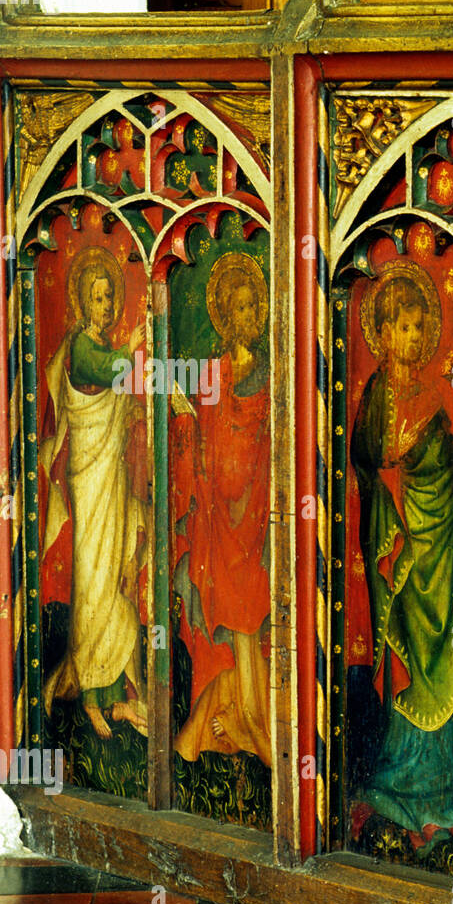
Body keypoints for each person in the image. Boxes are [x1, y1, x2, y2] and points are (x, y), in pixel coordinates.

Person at [350, 264, 453, 852]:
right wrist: (389, 485)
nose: (410, 337)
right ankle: (402, 789)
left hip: (440, 552)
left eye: (417, 327)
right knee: (407, 669)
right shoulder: (374, 396)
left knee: (448, 657)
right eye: (400, 326)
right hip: (400, 554)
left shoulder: (432, 398)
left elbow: (452, 468)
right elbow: (363, 464)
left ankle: (447, 797)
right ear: (381, 330)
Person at [40, 245, 149, 740]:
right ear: (83, 305)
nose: (106, 307)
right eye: (98, 299)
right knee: (94, 584)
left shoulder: (101, 348)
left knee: (118, 580)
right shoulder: (83, 349)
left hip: (112, 476)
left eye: (110, 298)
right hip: (90, 481)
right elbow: (116, 371)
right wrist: (140, 342)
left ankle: (129, 694)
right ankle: (90, 696)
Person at [173, 252, 272, 767]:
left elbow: (275, 440)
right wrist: (183, 419)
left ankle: (251, 720)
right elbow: (203, 445)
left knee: (251, 614)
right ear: (223, 315)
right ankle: (221, 722)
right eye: (235, 307)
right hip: (217, 519)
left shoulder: (273, 375)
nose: (245, 315)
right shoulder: (212, 372)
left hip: (256, 517)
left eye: (252, 305)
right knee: (221, 611)